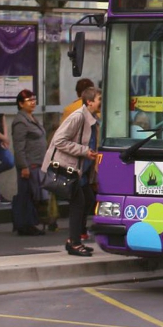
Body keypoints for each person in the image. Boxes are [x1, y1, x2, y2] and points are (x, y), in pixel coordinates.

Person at [46, 86, 101, 257]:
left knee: (87, 199)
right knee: (78, 203)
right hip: (69, 167)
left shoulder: (93, 118)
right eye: (99, 99)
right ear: (89, 102)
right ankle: (74, 243)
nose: (102, 103)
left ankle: (75, 240)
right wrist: (84, 151)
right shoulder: (78, 117)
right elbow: (59, 140)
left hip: (81, 169)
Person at [10, 89, 47, 236]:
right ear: (20, 104)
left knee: (32, 194)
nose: (33, 103)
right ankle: (25, 225)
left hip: (37, 162)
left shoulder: (31, 118)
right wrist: (23, 166)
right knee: (26, 194)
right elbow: (19, 147)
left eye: (34, 99)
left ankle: (29, 223)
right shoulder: (20, 121)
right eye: (29, 100)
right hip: (29, 164)